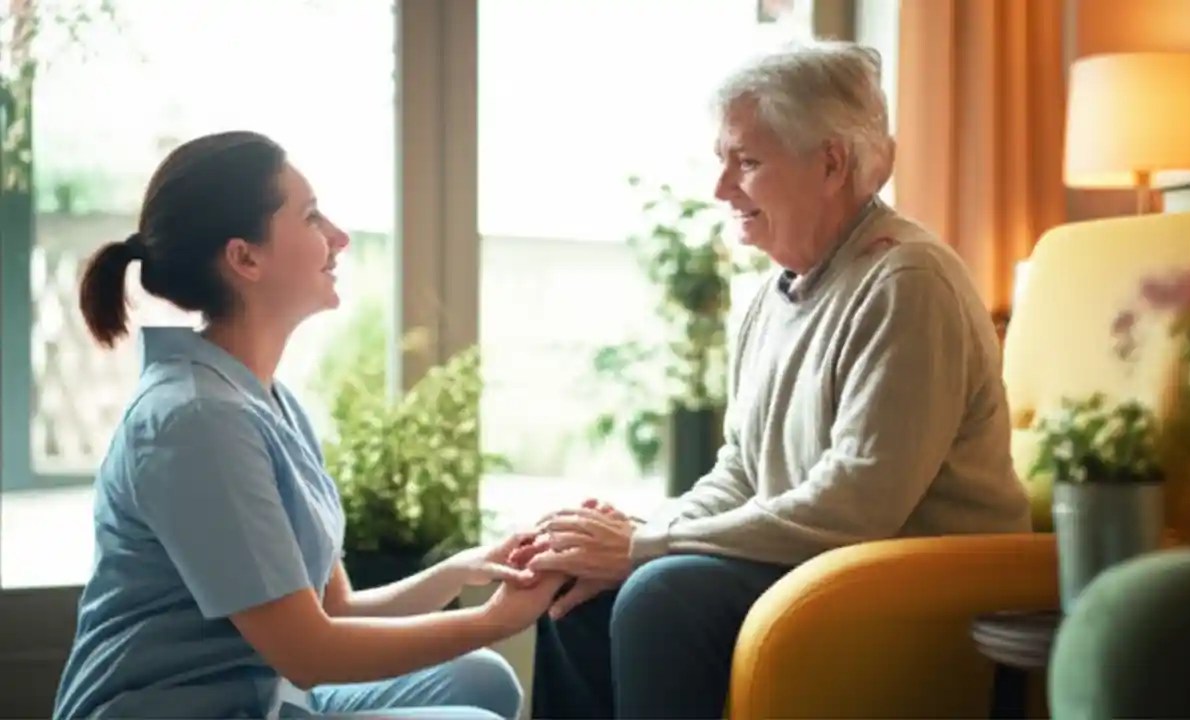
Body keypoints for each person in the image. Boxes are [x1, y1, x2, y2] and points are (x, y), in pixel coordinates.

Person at [513, 41, 1033, 719]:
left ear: (831, 163)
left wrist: (646, 546)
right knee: (576, 594)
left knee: (659, 594)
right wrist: (630, 538)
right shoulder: (773, 296)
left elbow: (856, 503)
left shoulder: (907, 281)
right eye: (723, 163)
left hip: (905, 589)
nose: (720, 189)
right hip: (817, 566)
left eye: (748, 163)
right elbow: (740, 471)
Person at [53, 131, 563, 719]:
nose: (339, 237)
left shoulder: (266, 401)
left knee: (480, 680)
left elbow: (334, 612)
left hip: (263, 697)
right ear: (245, 257)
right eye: (312, 216)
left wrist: (464, 569)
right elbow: (309, 653)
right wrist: (494, 619)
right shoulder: (196, 422)